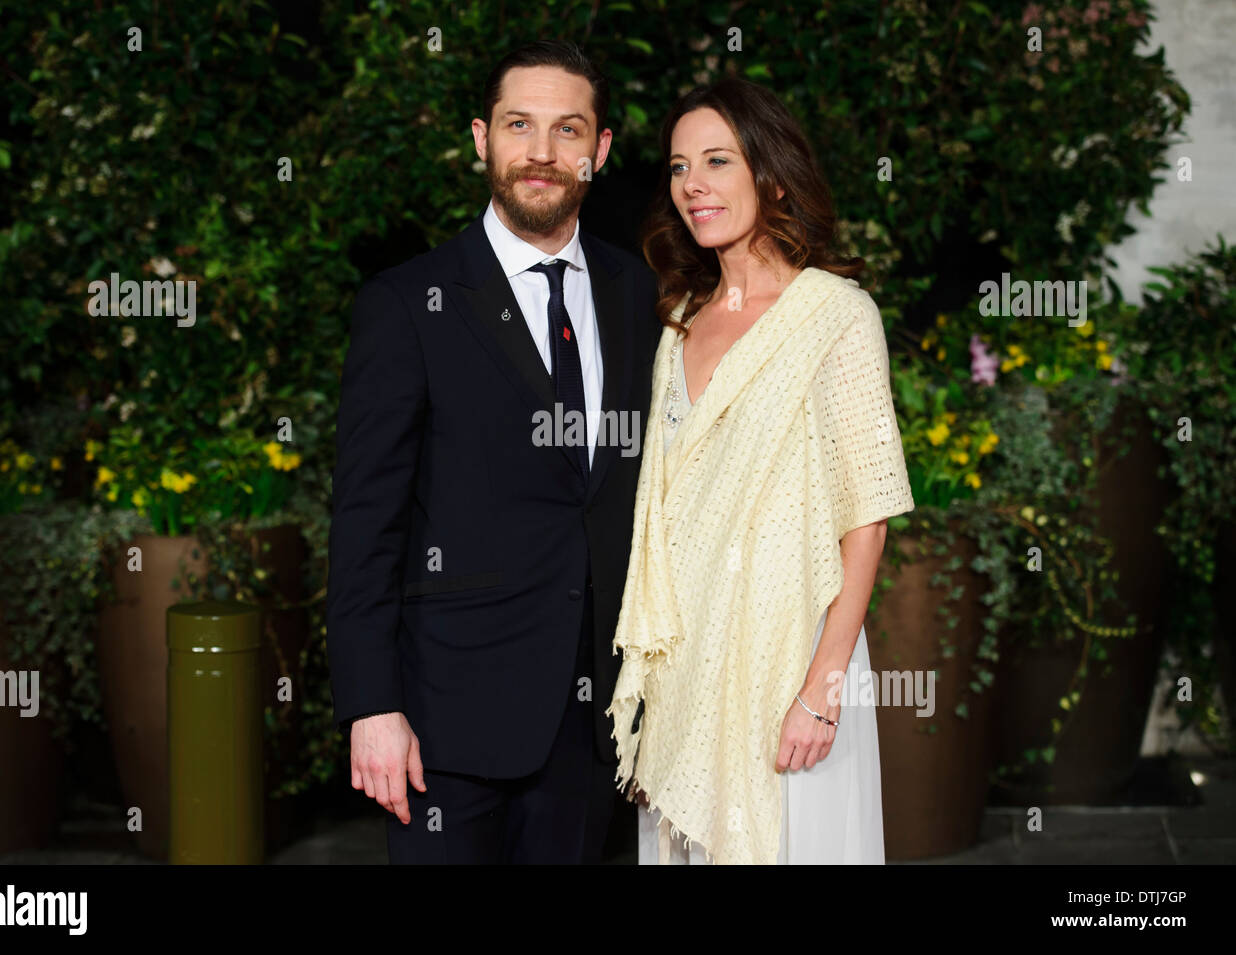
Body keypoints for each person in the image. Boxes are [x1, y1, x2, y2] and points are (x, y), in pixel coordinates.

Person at [326, 39, 660, 864]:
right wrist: (371, 705)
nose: (541, 154)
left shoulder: (641, 293)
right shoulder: (407, 303)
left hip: (595, 729)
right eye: (519, 125)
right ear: (481, 138)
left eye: (568, 129)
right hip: (445, 726)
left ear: (601, 151)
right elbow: (365, 521)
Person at [606, 77, 916, 865]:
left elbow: (866, 516)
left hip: (793, 657)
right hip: (685, 660)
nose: (693, 186)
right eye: (678, 167)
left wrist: (822, 691)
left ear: (771, 175)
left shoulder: (836, 314)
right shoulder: (678, 324)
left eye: (717, 160)